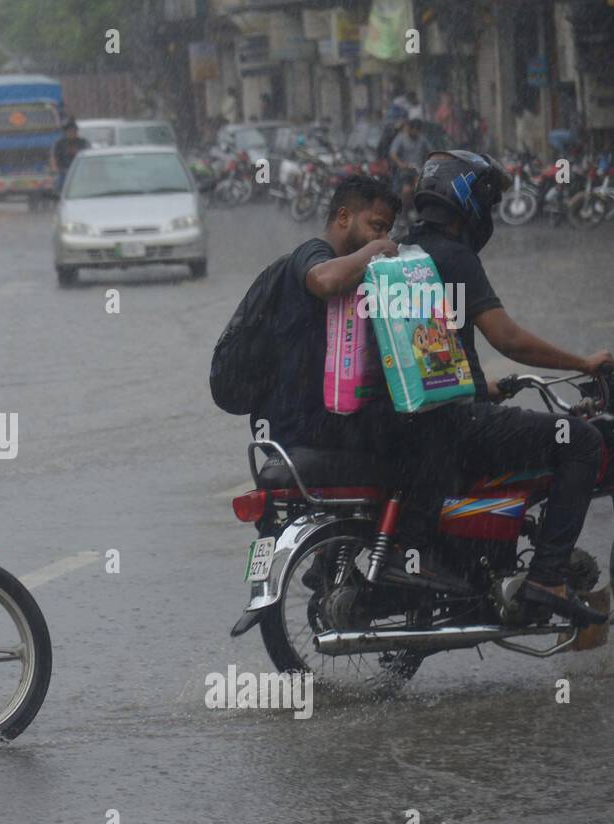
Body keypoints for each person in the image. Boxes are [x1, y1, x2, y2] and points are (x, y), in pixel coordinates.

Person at [378, 150, 611, 623]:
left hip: (419, 422)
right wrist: (584, 361)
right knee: (582, 442)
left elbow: (420, 356)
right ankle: (547, 576)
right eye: (486, 200)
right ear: (467, 201)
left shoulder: (401, 252)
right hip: (457, 425)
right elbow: (506, 338)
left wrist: (486, 388)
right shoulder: (454, 256)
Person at [257, 175, 401, 452]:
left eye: (388, 232)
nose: (384, 238)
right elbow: (325, 282)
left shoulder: (358, 272)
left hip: (326, 413)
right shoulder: (312, 253)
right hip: (300, 422)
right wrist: (377, 248)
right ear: (344, 217)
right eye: (377, 227)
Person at [388, 118, 431, 213]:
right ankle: (403, 212)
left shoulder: (422, 139)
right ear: (410, 129)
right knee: (406, 190)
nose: (416, 133)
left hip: (419, 170)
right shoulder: (401, 138)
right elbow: (392, 153)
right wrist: (400, 163)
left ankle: (420, 211)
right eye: (414, 130)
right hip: (405, 171)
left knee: (421, 189)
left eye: (418, 130)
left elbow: (430, 152)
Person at [50, 119, 89, 193]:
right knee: (60, 187)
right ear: (65, 132)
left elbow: (89, 159)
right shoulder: (60, 144)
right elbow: (54, 158)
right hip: (64, 172)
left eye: (74, 131)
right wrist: (55, 169)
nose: (72, 133)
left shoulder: (83, 143)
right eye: (69, 131)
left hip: (81, 173)